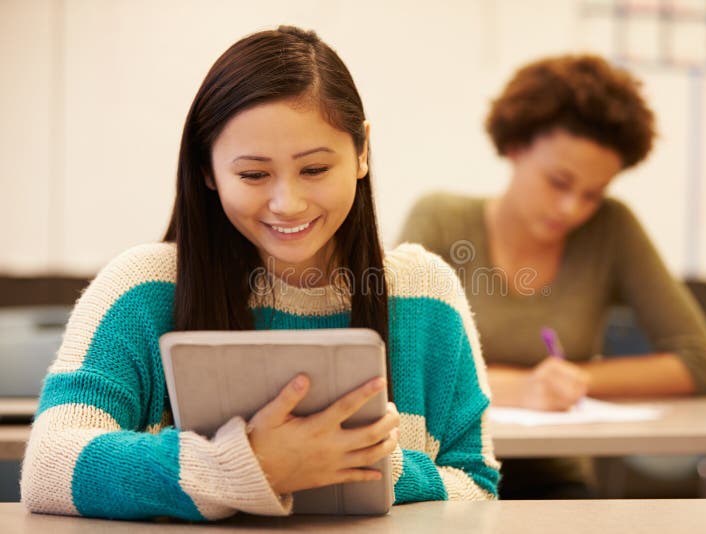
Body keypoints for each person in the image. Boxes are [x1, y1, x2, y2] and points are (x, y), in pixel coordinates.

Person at [21, 26, 499, 520]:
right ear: (208, 169)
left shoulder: (425, 291)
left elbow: (478, 488)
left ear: (361, 153)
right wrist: (249, 464)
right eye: (253, 175)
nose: (287, 203)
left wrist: (371, 466)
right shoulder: (143, 287)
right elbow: (48, 467)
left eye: (314, 170)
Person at [397, 54, 706, 499]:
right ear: (515, 147)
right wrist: (522, 388)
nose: (572, 209)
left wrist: (579, 380)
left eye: (592, 194)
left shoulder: (611, 229)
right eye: (558, 181)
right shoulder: (439, 220)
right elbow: (403, 367)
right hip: (445, 476)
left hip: (557, 477)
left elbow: (698, 363)